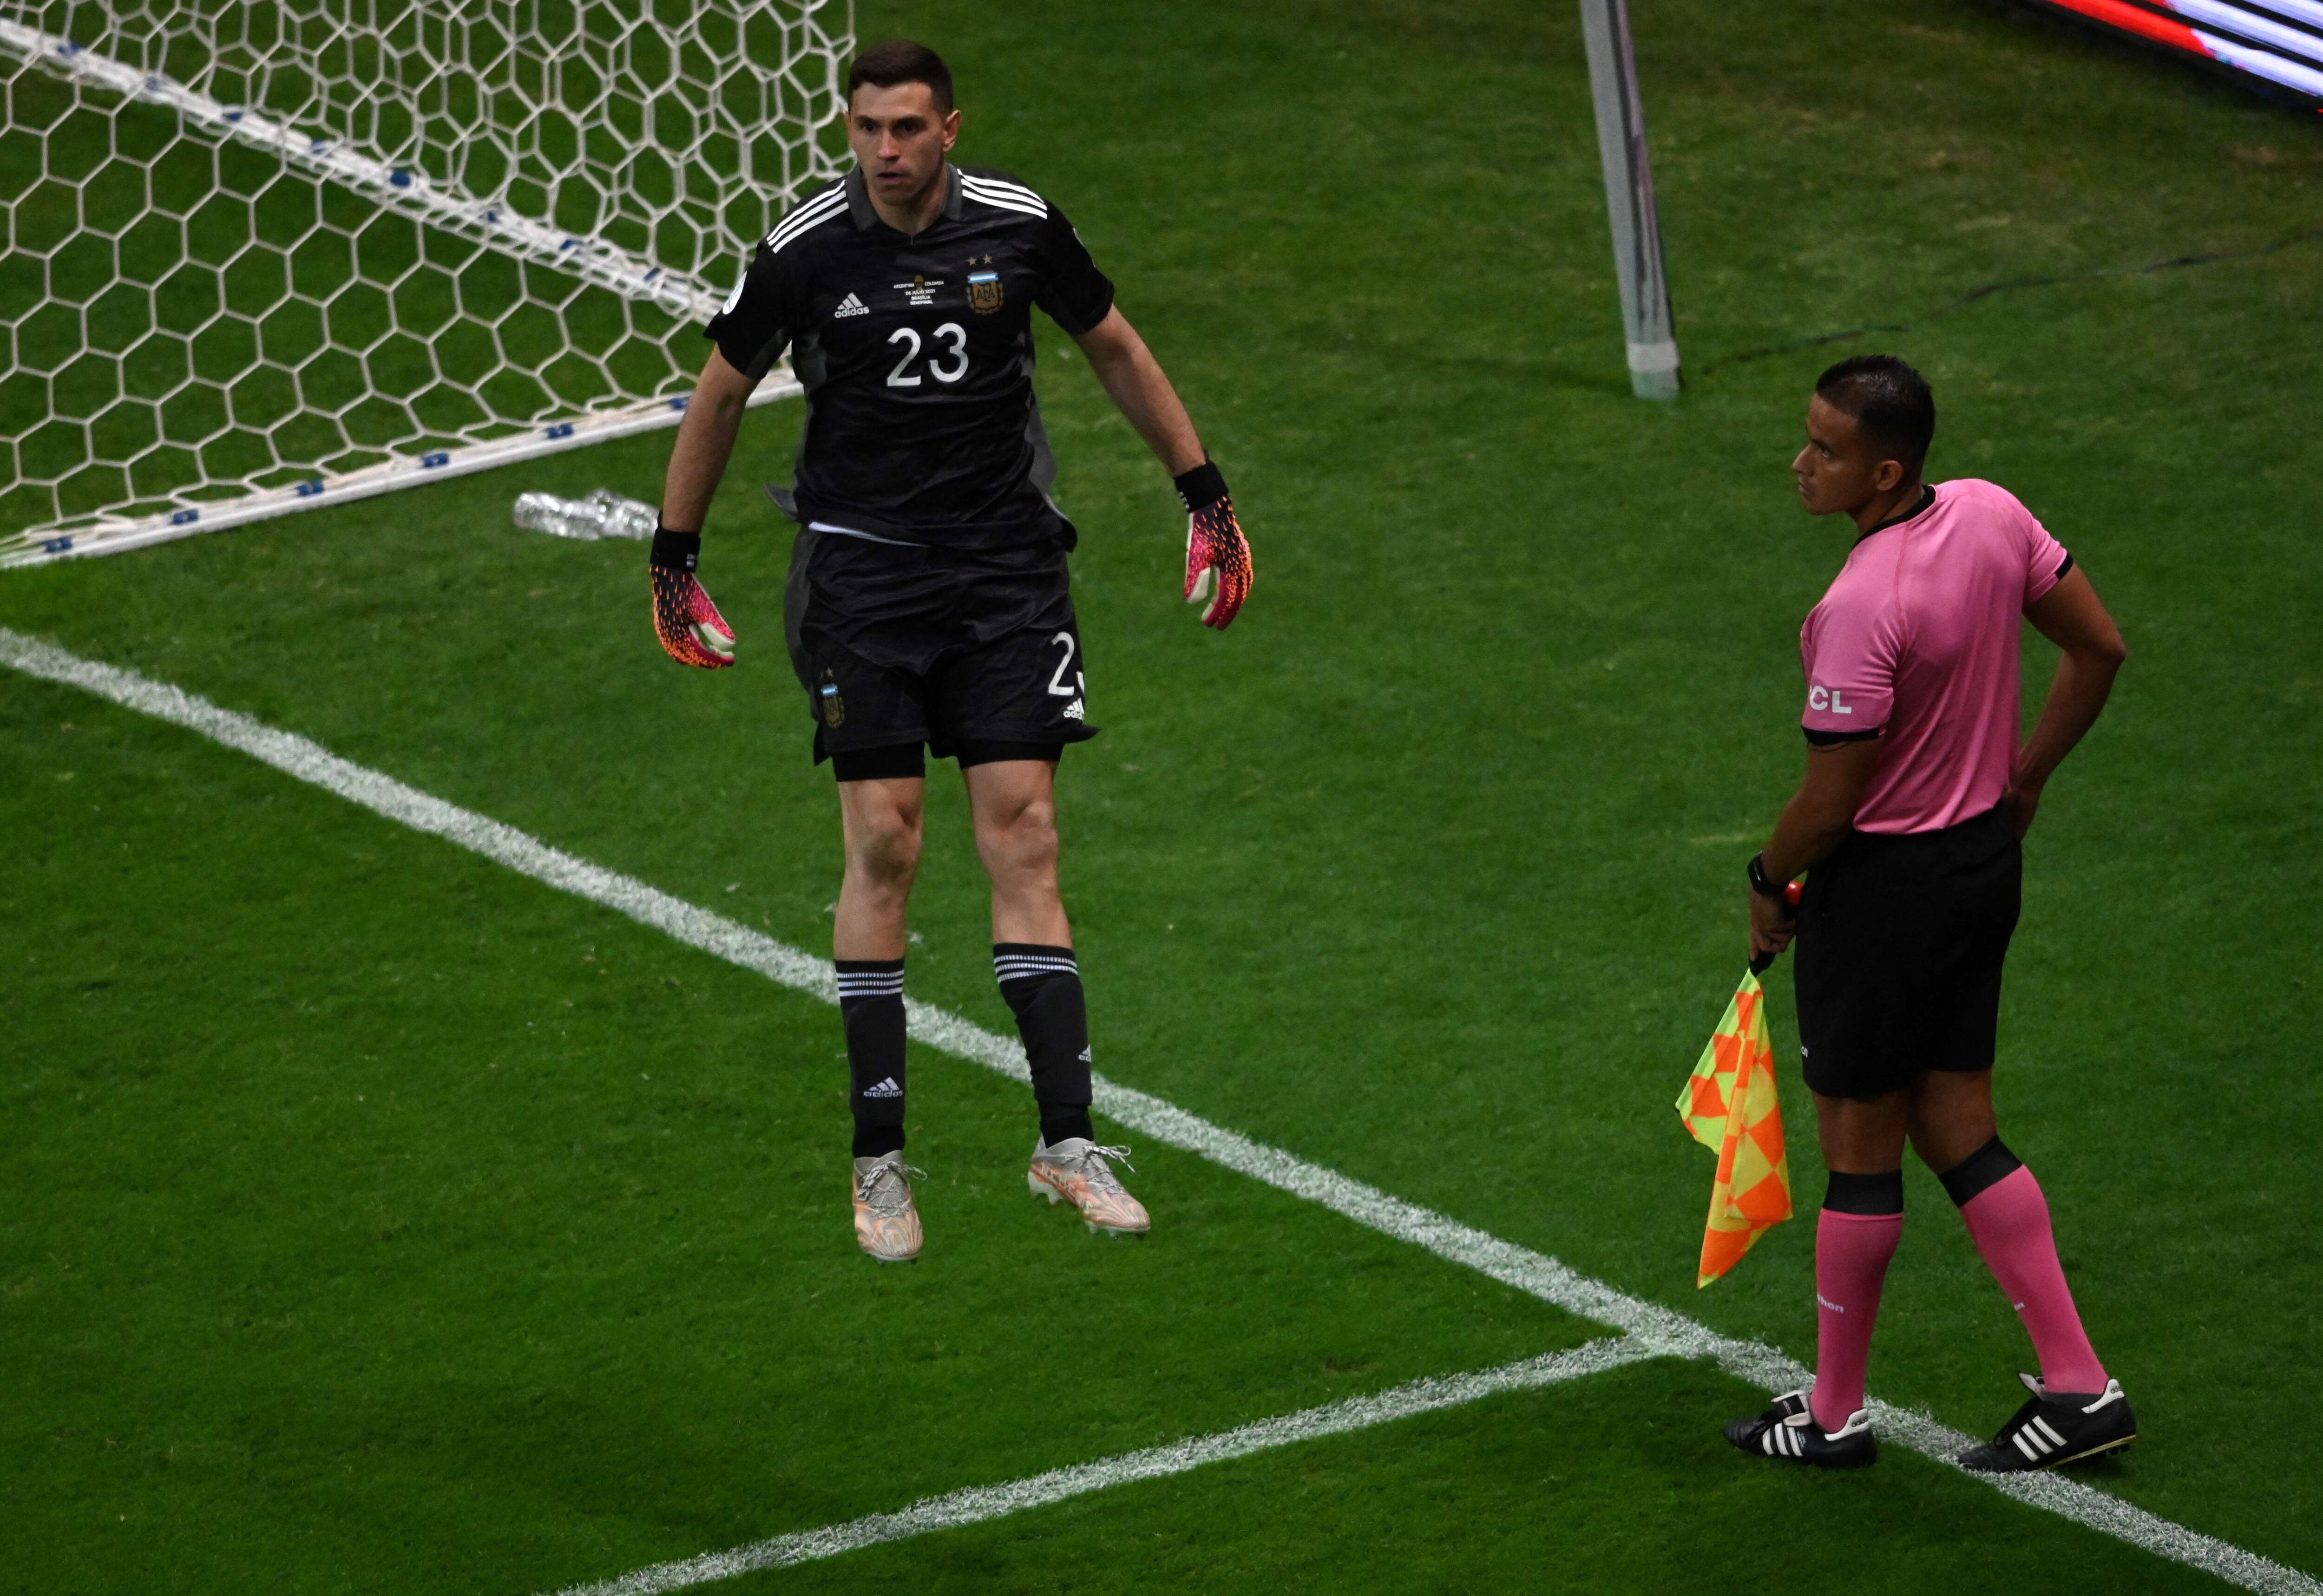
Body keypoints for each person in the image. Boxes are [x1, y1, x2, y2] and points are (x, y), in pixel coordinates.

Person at [645, 39, 1253, 1263]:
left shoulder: (1022, 228)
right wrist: (674, 558)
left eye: (909, 128)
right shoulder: (807, 250)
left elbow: (1117, 347)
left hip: (1005, 574)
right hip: (863, 581)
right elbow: (717, 395)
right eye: (868, 128)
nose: (886, 152)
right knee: (886, 837)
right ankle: (878, 1164)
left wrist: (1206, 496)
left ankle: (1065, 1142)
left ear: (950, 128)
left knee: (1024, 827)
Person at [1724, 355, 2133, 1472]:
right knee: (1957, 1122)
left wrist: (1767, 881)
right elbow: (2098, 647)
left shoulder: (1860, 604)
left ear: (1886, 468)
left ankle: (1833, 1413)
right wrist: (2027, 775)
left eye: (1826, 448)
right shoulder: (1996, 515)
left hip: (1886, 895)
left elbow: (1831, 797)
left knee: (1859, 1150)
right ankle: (2079, 1383)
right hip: (1978, 870)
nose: (1801, 462)